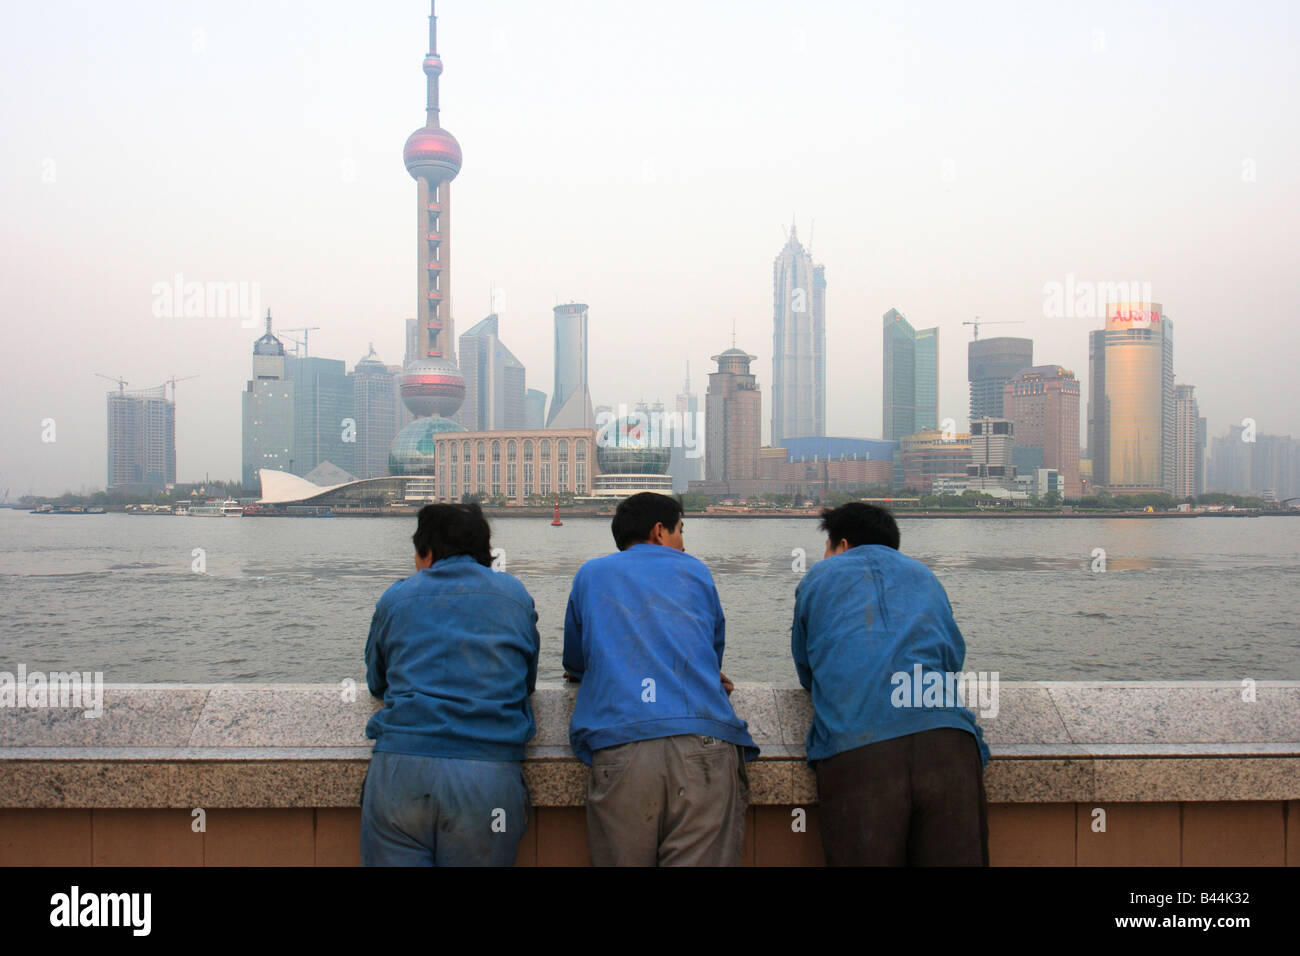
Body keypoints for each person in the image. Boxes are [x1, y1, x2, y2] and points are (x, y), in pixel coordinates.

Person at [562, 492, 757, 866]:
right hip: (704, 742)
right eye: (681, 530)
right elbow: (711, 648)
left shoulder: (591, 574)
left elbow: (576, 660)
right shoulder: (696, 570)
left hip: (621, 745)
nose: (683, 542)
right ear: (659, 532)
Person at [791, 501, 990, 866]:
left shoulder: (820, 577)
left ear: (843, 544)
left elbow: (807, 671)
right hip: (949, 743)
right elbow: (952, 656)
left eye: (828, 547)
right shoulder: (925, 575)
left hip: (860, 750)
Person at [362, 503, 540, 866]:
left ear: (426, 552)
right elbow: (525, 682)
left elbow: (376, 682)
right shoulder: (514, 596)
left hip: (400, 771)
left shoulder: (395, 598)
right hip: (487, 775)